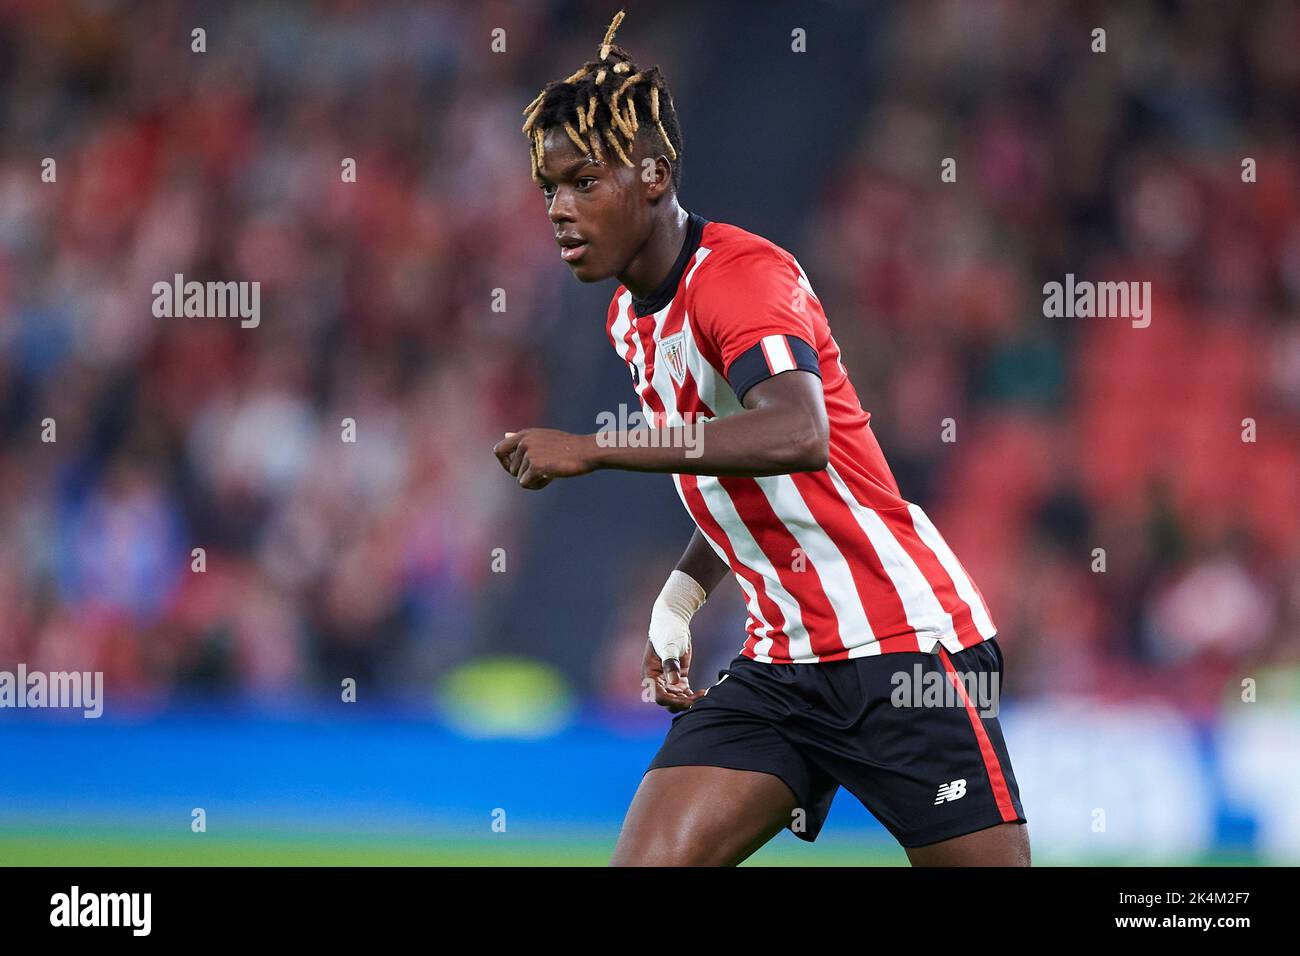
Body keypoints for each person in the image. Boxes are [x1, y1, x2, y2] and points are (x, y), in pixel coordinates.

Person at [495, 10, 1030, 866]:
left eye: (584, 182)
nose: (559, 209)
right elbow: (739, 477)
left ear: (654, 173)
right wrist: (679, 599)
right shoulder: (629, 322)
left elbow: (797, 434)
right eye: (549, 188)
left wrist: (596, 447)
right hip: (780, 667)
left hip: (900, 650)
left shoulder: (743, 278)